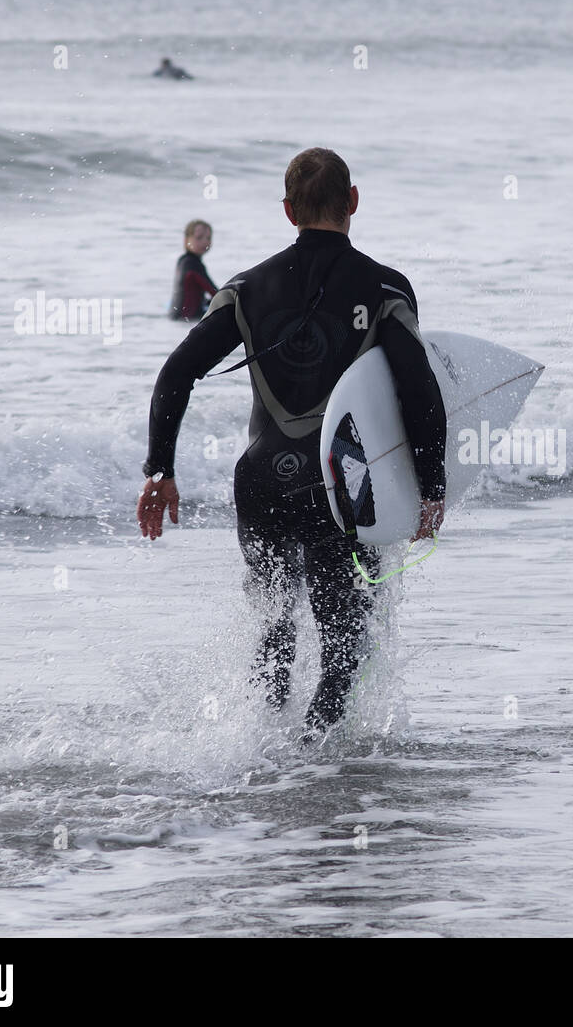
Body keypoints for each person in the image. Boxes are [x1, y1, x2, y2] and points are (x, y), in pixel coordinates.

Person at [137, 148, 447, 735]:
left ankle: (258, 760)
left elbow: (176, 371)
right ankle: (312, 773)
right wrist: (432, 486)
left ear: (287, 211)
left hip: (260, 483)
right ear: (353, 202)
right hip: (338, 489)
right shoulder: (384, 288)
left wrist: (160, 471)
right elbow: (418, 389)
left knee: (274, 634)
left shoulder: (246, 287)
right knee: (343, 646)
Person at [169, 219, 218, 320]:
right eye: (199, 238)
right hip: (186, 320)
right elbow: (215, 293)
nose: (205, 242)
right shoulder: (192, 264)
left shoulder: (183, 261)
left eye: (208, 238)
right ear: (186, 240)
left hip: (176, 317)